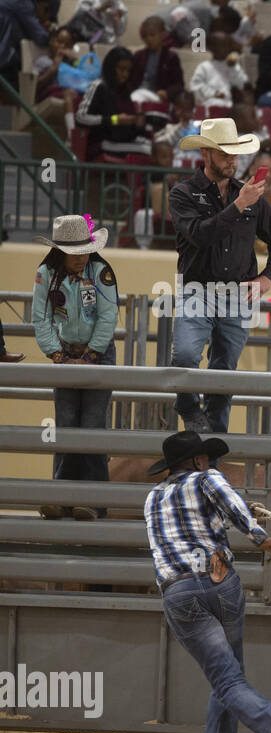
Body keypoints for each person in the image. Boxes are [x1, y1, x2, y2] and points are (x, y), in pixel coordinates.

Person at [143, 430, 271, 733]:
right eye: (207, 457)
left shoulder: (153, 498)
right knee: (230, 676)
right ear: (197, 461)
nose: (212, 462)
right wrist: (262, 537)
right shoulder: (207, 478)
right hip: (219, 583)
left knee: (226, 678)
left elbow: (195, 525)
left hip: (178, 592)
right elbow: (232, 507)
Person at [168, 118, 271, 433]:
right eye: (225, 154)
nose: (232, 161)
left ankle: (214, 448)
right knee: (184, 356)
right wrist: (238, 205)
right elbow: (200, 235)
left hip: (238, 294)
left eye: (235, 154)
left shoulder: (247, 196)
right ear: (206, 154)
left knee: (224, 373)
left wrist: (267, 279)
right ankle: (186, 405)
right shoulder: (183, 193)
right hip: (197, 289)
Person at [30, 215, 119, 520]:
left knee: (92, 425)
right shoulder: (45, 275)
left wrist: (91, 356)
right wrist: (58, 356)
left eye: (84, 251)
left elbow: (108, 317)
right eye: (75, 252)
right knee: (67, 425)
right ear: (60, 252)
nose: (82, 258)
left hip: (98, 354)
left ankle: (94, 501)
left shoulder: (101, 271)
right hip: (66, 354)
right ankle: (63, 497)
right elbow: (40, 319)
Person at [76, 46, 156, 159]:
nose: (125, 74)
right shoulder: (98, 86)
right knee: (151, 152)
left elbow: (126, 124)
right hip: (103, 142)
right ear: (111, 67)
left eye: (128, 70)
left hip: (122, 140)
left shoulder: (126, 91)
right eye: (121, 69)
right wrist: (115, 119)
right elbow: (81, 117)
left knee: (157, 147)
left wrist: (138, 123)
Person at [129, 15, 184, 104]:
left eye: (152, 35)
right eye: (145, 36)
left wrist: (167, 92)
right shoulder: (138, 56)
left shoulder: (171, 57)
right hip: (138, 93)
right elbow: (130, 81)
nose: (148, 39)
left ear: (163, 35)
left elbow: (179, 84)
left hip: (158, 97)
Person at [190, 30, 251, 108]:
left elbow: (242, 85)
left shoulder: (234, 66)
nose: (224, 48)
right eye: (219, 45)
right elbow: (195, 86)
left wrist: (232, 69)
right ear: (211, 47)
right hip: (210, 105)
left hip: (230, 106)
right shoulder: (204, 67)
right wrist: (213, 93)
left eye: (226, 45)